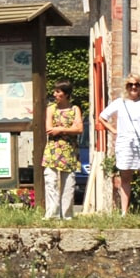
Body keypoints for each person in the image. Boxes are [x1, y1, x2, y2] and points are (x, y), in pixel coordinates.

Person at [100, 74, 140, 216]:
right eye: (130, 85)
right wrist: (114, 131)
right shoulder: (119, 102)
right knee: (125, 176)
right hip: (125, 143)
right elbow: (102, 117)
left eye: (137, 85)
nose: (133, 87)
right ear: (126, 87)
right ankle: (124, 211)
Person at [44, 85, 86, 218]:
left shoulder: (75, 109)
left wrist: (60, 129)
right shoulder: (51, 109)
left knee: (68, 183)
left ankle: (67, 215)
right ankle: (52, 213)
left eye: (58, 91)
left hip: (69, 150)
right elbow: (49, 129)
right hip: (53, 149)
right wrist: (69, 128)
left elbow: (79, 129)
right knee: (51, 181)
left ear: (66, 94)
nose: (55, 94)